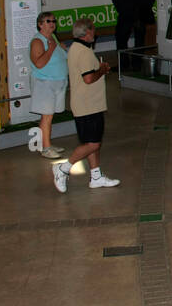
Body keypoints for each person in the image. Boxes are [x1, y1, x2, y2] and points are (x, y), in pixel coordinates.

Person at [52, 17, 120, 192]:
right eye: (93, 31)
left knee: (93, 141)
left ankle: (96, 176)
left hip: (90, 104)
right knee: (93, 144)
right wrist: (103, 69)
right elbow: (88, 78)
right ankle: (63, 168)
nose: (95, 34)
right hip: (87, 105)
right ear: (87, 32)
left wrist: (99, 68)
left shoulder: (77, 48)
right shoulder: (83, 51)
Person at [28, 11, 68, 160]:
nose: (52, 23)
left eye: (53, 21)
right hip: (45, 84)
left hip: (57, 82)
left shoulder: (52, 38)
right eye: (48, 21)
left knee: (49, 116)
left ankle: (46, 143)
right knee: (47, 116)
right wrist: (51, 50)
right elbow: (39, 63)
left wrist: (59, 49)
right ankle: (46, 148)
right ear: (40, 24)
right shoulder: (37, 41)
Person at [111, 0, 155, 72]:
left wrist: (123, 11)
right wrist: (143, 11)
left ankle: (124, 64)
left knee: (121, 40)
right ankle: (137, 64)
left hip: (125, 16)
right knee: (139, 41)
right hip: (140, 16)